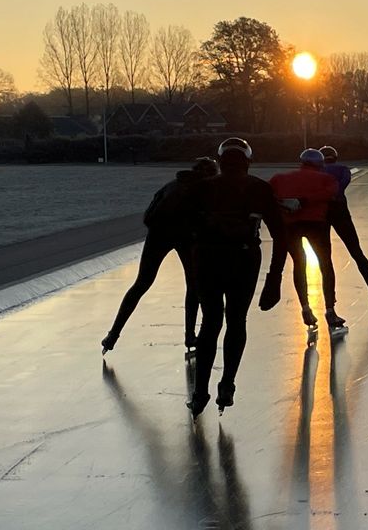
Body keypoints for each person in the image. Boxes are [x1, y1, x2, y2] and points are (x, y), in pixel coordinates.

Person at [186, 138, 288, 417]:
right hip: (243, 260)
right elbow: (281, 236)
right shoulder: (260, 189)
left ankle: (199, 392)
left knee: (210, 323)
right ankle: (227, 383)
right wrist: (274, 278)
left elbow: (184, 229)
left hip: (208, 260)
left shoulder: (202, 188)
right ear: (248, 161)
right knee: (236, 321)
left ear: (219, 161)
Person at [101, 157, 219, 355]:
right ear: (209, 175)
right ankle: (190, 336)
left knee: (141, 284)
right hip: (185, 236)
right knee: (193, 284)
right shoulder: (203, 189)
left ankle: (113, 335)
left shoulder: (171, 185)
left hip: (157, 234)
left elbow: (149, 216)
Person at [270, 149, 346, 330]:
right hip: (316, 225)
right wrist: (306, 200)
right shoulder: (326, 179)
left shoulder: (280, 178)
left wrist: (284, 203)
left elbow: (266, 193)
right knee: (325, 265)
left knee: (299, 264)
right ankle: (330, 310)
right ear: (320, 165)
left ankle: (305, 308)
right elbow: (332, 193)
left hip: (290, 226)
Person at [319, 145, 368, 312]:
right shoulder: (343, 169)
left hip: (321, 215)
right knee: (357, 253)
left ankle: (329, 307)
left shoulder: (316, 173)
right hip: (341, 214)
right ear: (335, 157)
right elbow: (342, 185)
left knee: (325, 261)